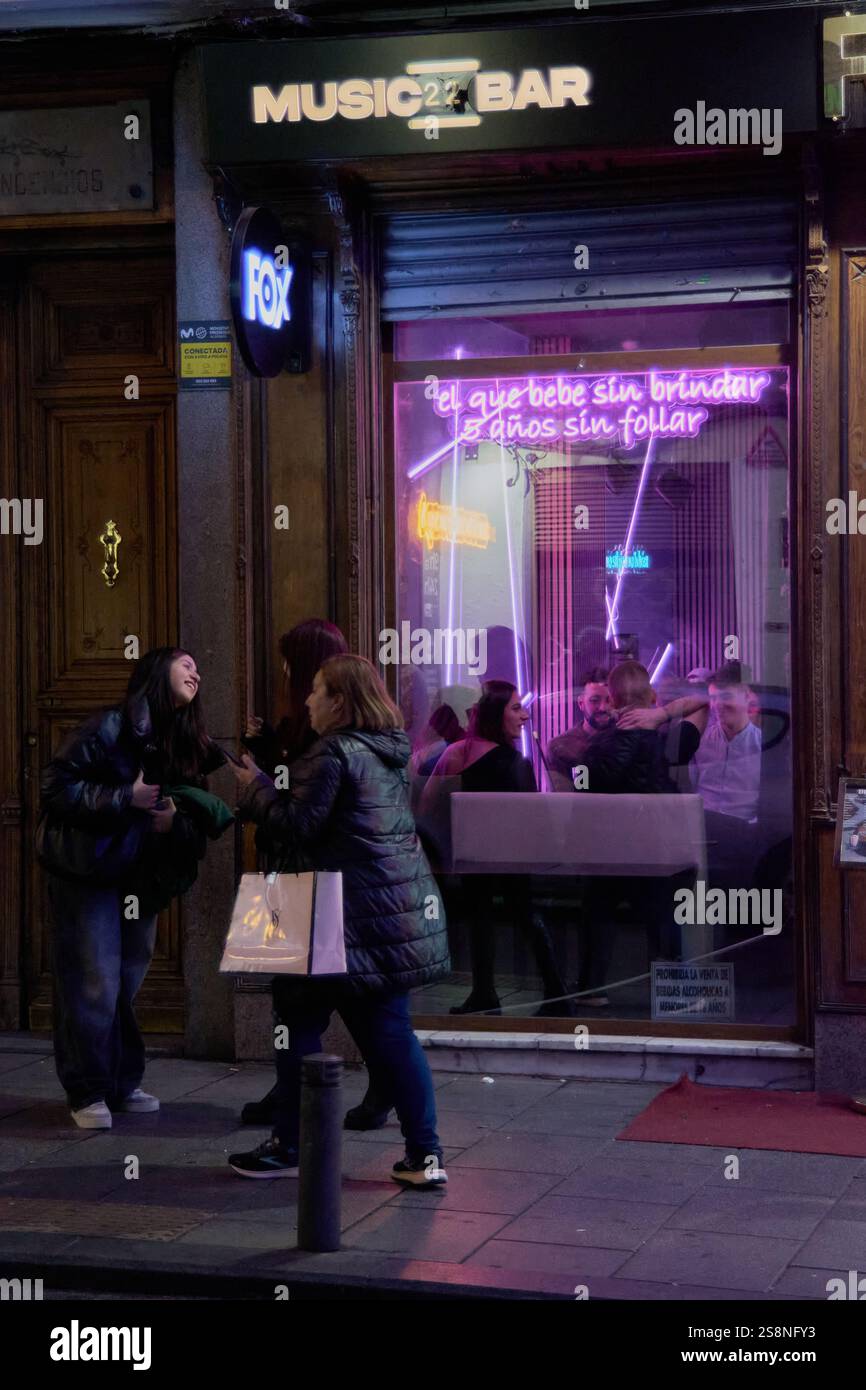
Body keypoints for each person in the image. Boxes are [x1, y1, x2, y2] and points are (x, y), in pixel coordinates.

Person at [227, 654, 451, 1187]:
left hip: (324, 911)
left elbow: (298, 824)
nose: (307, 700)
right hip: (383, 916)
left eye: (316, 690)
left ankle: (290, 1145)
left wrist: (255, 788)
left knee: (296, 1023)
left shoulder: (334, 752)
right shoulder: (387, 751)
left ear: (340, 702)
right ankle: (425, 1155)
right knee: (392, 1031)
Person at [36, 648, 229, 1129]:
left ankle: (121, 1082)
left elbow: (187, 814)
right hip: (89, 869)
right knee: (93, 981)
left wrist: (171, 821)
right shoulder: (110, 726)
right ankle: (86, 1090)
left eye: (197, 666)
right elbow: (54, 785)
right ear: (156, 671)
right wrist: (126, 797)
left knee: (125, 979)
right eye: (185, 663)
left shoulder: (185, 740)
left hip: (139, 875)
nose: (195, 672)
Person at [238, 618, 351, 1128]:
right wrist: (266, 750)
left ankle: (292, 1109)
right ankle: (287, 1092)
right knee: (296, 999)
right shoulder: (306, 728)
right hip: (293, 874)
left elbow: (296, 810)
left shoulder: (323, 735)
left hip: (300, 876)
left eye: (289, 663)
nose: (284, 673)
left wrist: (257, 782)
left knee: (300, 999)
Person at [420, 680, 571, 1016]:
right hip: (506, 852)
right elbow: (533, 817)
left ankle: (489, 993)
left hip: (475, 850)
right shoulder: (515, 762)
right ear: (495, 712)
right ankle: (554, 991)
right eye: (516, 707)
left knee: (485, 917)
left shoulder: (461, 751)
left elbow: (427, 802)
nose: (525, 715)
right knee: (522, 914)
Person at [580, 660, 707, 968]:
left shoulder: (596, 745)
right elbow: (705, 701)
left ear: (611, 700)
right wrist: (662, 714)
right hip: (658, 842)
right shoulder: (666, 740)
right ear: (652, 696)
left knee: (600, 912)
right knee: (663, 915)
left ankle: (592, 987)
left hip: (610, 845)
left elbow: (581, 787)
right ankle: (669, 988)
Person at [546, 666, 613, 792]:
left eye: (609, 700)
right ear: (581, 703)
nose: (603, 707)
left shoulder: (625, 740)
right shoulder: (562, 747)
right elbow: (565, 803)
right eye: (595, 700)